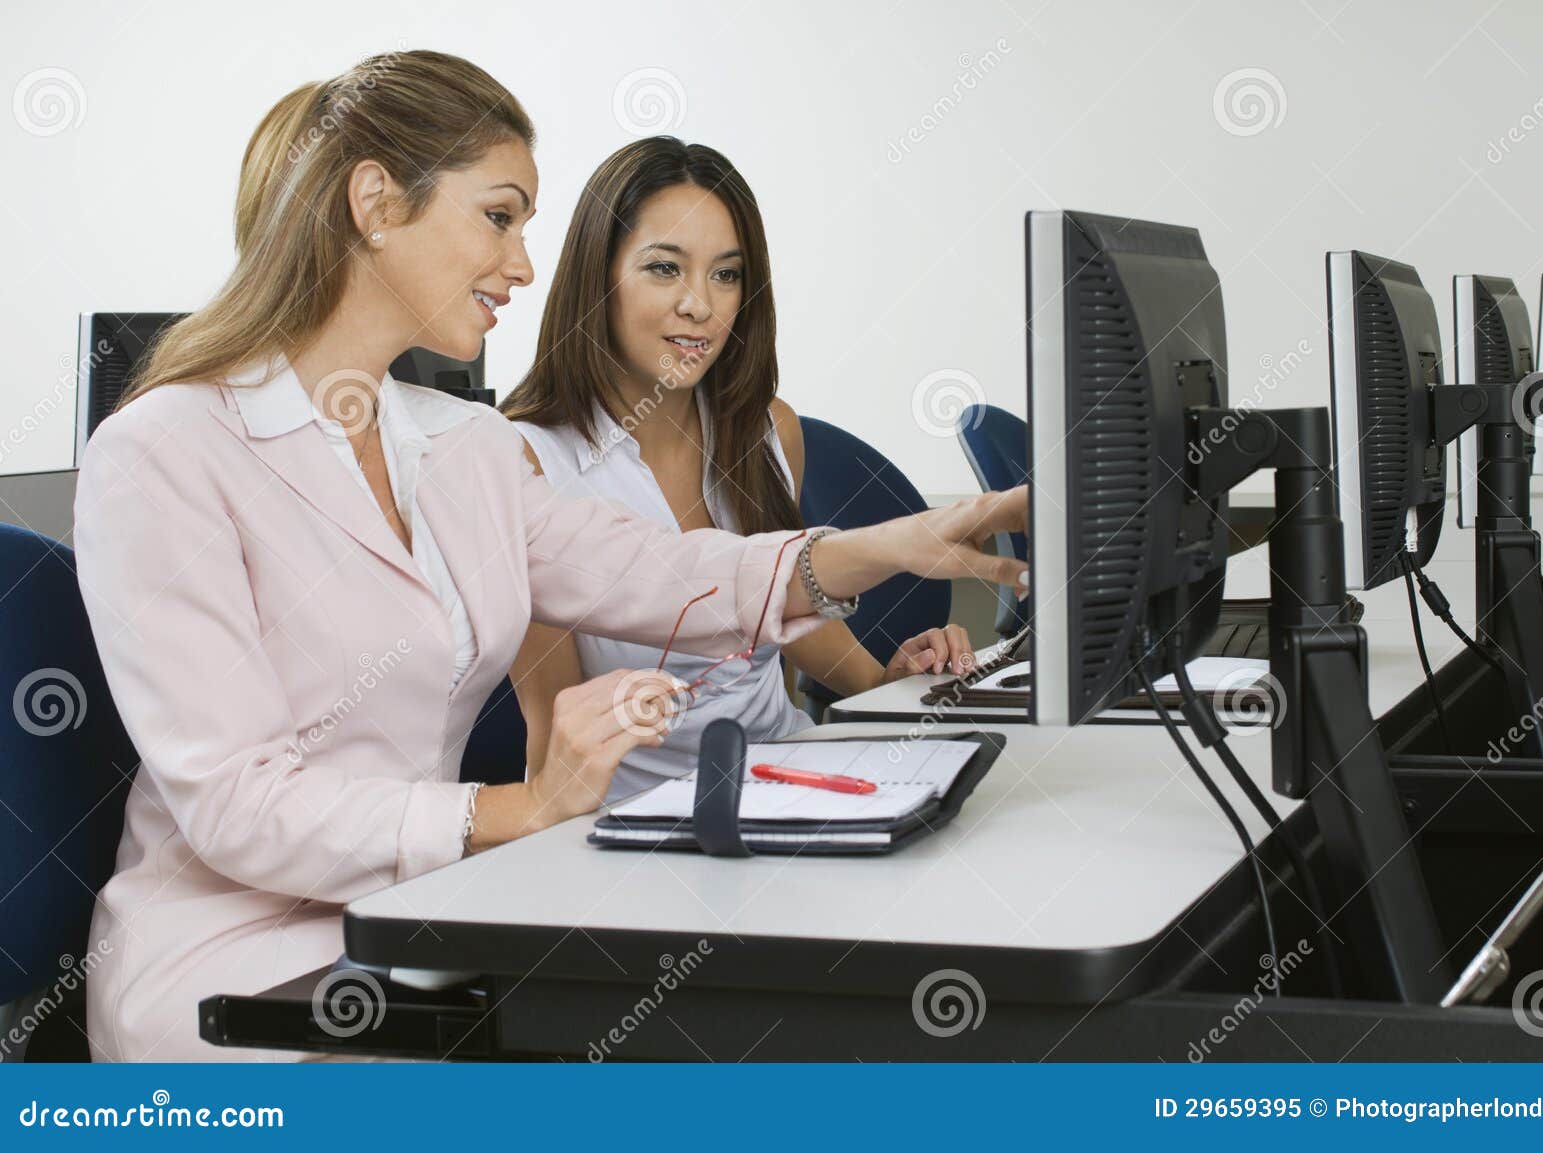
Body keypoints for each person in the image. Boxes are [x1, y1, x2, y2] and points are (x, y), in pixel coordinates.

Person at [71, 50, 1027, 1062]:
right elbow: (235, 805)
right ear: (375, 204)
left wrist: (898, 542)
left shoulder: (461, 446)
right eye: (499, 216)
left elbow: (658, 574)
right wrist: (521, 806)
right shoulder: (163, 452)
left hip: (430, 920)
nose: (525, 264)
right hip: (239, 969)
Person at [499, 137, 977, 800]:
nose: (702, 304)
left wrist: (887, 681)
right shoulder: (524, 463)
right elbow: (552, 731)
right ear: (597, 276)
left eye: (726, 274)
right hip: (644, 823)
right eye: (665, 268)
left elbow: (777, 616)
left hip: (796, 780)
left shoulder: (765, 427)